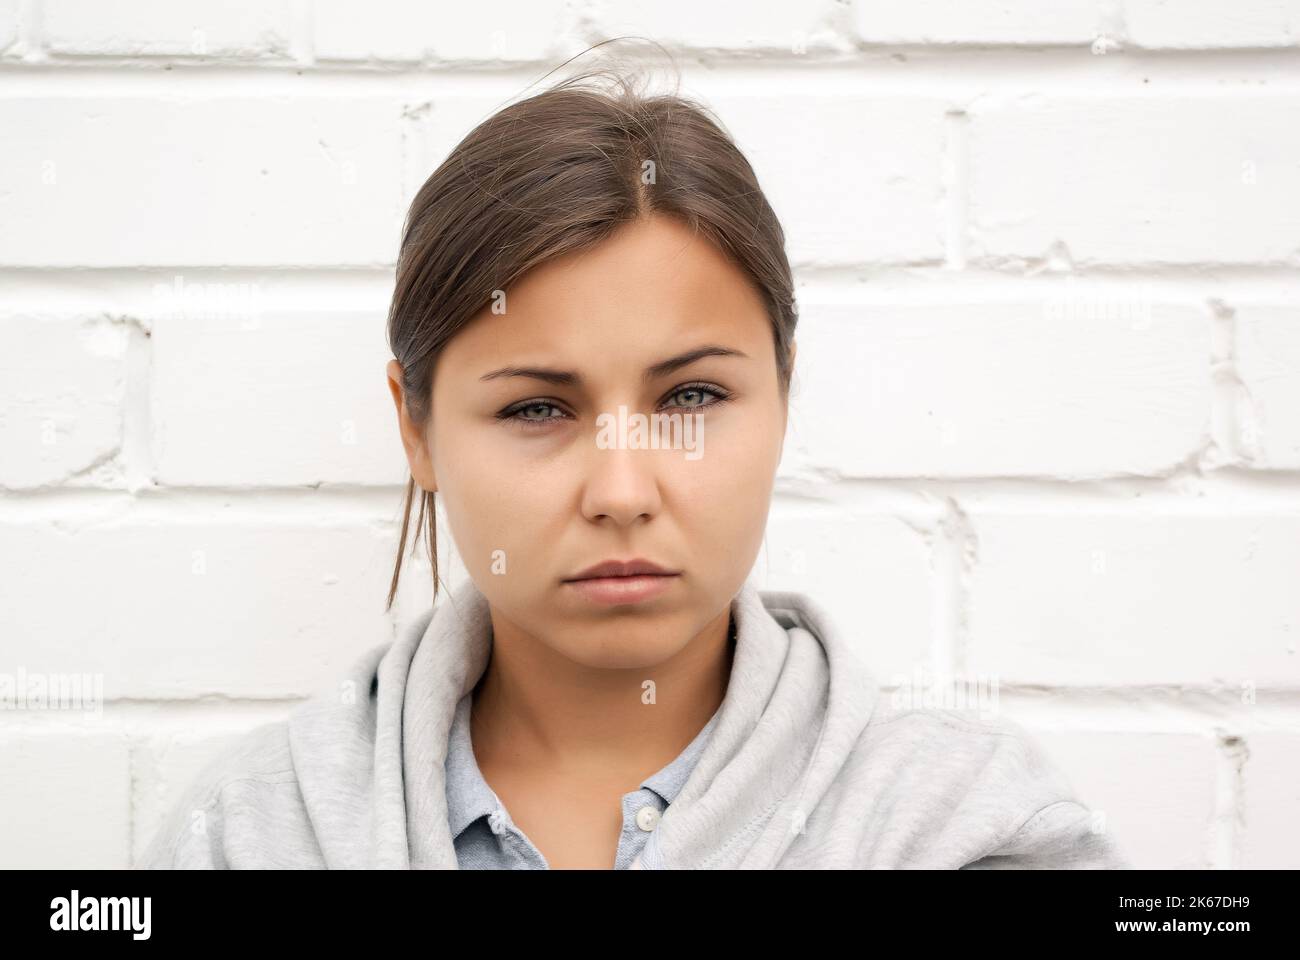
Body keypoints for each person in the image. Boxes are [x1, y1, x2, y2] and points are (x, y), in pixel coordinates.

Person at [140, 57, 1129, 871]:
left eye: (691, 399)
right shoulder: (243, 839)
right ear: (417, 431)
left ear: (784, 394)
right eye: (536, 408)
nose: (620, 492)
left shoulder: (970, 835)